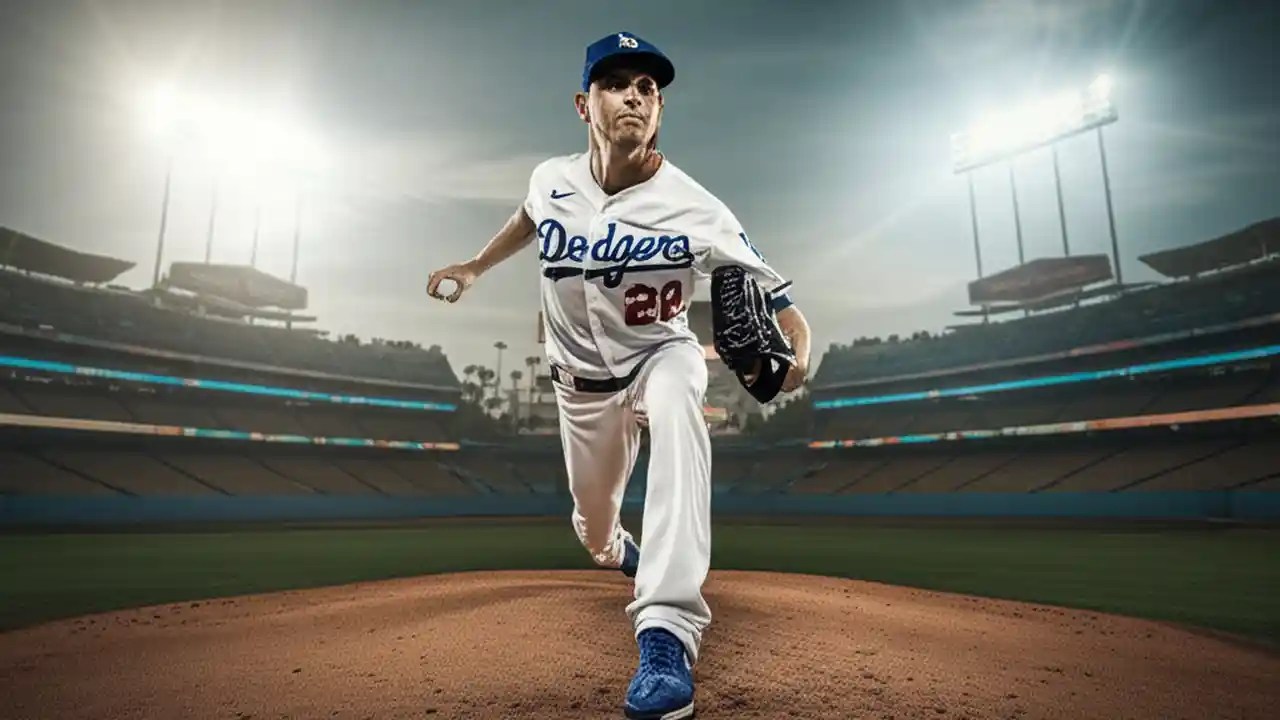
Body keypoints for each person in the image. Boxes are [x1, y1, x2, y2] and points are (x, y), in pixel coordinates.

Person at [426, 30, 812, 720]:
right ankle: (618, 549)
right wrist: (476, 266)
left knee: (679, 401)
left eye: (648, 89)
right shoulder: (551, 180)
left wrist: (799, 360)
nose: (634, 96)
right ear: (584, 104)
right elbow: (529, 216)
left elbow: (782, 304)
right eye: (617, 85)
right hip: (579, 387)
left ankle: (666, 632)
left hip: (661, 354)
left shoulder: (698, 207)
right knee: (592, 522)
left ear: (659, 111)